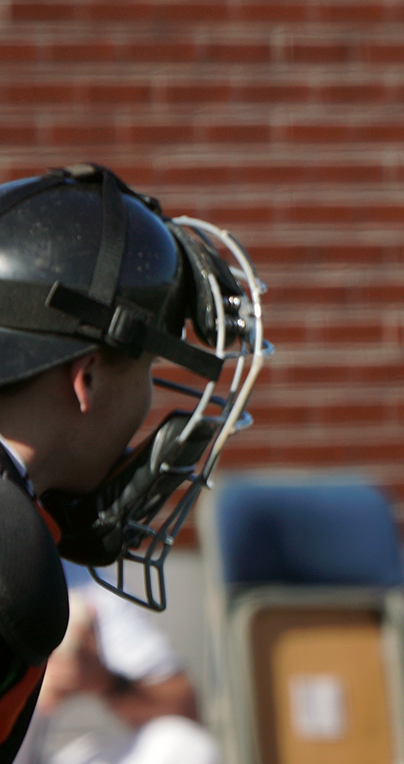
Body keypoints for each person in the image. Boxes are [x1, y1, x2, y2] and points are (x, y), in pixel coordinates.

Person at [0, 165, 266, 764]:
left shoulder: (22, 518)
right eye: (146, 371)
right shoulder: (10, 552)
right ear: (86, 377)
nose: (148, 402)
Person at [18, 564, 216, 764]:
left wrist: (104, 680)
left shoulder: (78, 578)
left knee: (184, 748)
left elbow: (181, 706)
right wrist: (34, 688)